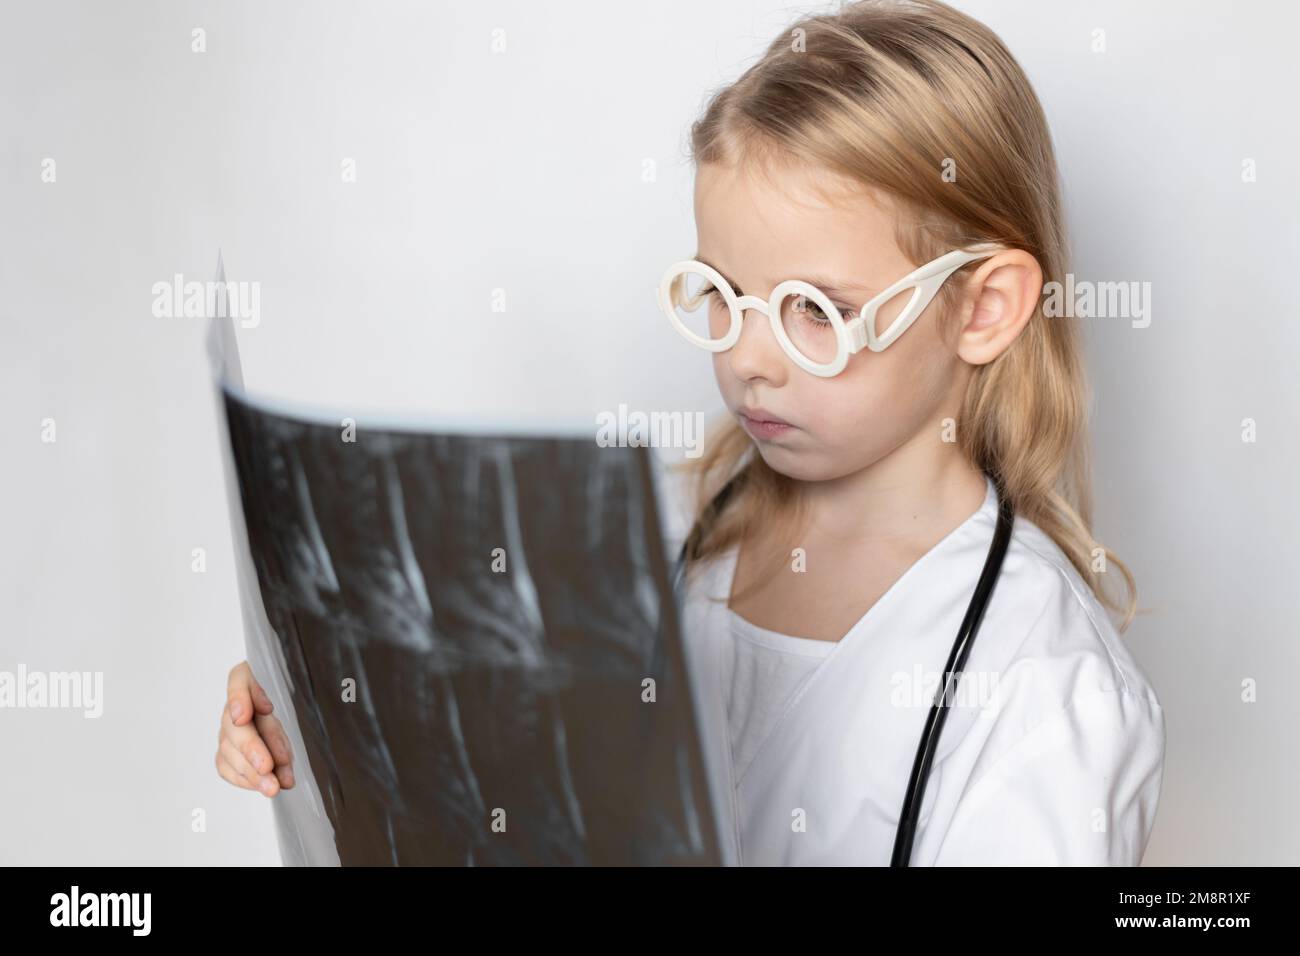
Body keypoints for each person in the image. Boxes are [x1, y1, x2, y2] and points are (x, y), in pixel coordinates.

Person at [655, 0, 1164, 864]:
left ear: (983, 308)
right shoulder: (677, 538)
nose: (747, 358)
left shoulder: (1044, 685)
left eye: (814, 310)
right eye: (719, 294)